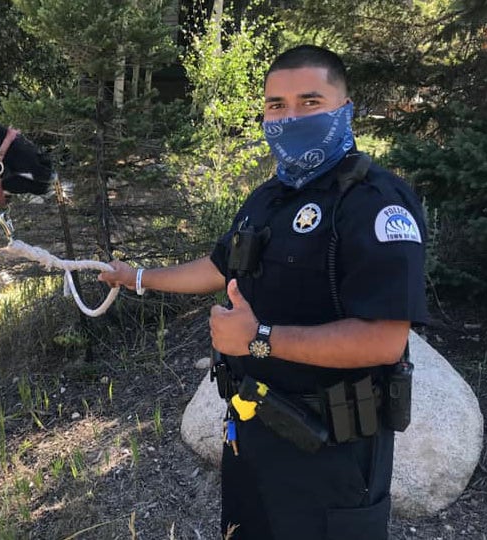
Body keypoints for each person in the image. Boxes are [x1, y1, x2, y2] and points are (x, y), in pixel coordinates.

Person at [98, 44, 427, 540]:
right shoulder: (268, 197)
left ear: (345, 109)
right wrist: (137, 277)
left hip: (332, 447)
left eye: (309, 102)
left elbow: (383, 340)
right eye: (276, 105)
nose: (289, 117)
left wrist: (258, 339)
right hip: (254, 430)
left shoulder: (374, 202)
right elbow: (218, 266)